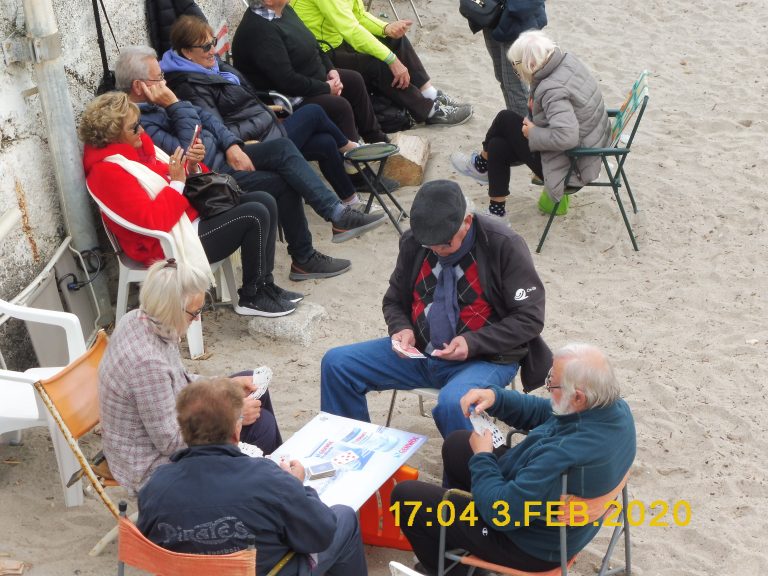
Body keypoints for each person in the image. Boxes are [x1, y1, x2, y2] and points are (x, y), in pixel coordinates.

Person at [114, 46, 383, 282]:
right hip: (209, 177)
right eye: (158, 77)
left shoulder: (159, 101)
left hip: (226, 155)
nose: (164, 81)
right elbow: (185, 152)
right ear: (140, 86)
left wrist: (232, 145)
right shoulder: (140, 122)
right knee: (282, 181)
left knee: (284, 148)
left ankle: (337, 216)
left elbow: (207, 120)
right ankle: (306, 255)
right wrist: (174, 105)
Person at [320, 180, 548, 438]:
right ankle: (349, 454)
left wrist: (472, 343)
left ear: (467, 222)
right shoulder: (414, 242)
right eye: (431, 245)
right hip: (421, 353)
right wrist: (402, 328)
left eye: (445, 244)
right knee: (337, 364)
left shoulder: (503, 244)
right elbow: (394, 300)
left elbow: (530, 318)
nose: (438, 251)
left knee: (454, 403)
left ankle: (473, 474)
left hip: (485, 358)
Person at [390, 343, 636, 575]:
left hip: (530, 544)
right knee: (457, 444)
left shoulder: (563, 452)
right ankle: (460, 535)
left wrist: (483, 457)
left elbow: (502, 512)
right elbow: (547, 412)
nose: (548, 387)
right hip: (548, 512)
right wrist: (496, 398)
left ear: (579, 397)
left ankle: (452, 570)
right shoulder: (613, 410)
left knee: (405, 497)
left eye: (552, 383)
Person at [80, 91, 301, 316]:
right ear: (113, 135)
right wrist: (177, 182)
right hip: (163, 245)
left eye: (140, 123)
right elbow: (153, 222)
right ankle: (252, 296)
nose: (142, 130)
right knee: (254, 214)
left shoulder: (137, 152)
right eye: (134, 127)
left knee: (264, 199)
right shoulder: (108, 172)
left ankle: (265, 285)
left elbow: (177, 181)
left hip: (185, 221)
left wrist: (193, 166)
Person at [137, 377, 368, 576]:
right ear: (237, 430)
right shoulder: (269, 478)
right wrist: (298, 486)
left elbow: (150, 544)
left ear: (183, 429)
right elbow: (320, 534)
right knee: (344, 517)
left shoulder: (155, 487)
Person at [99, 260, 283, 493]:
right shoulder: (146, 364)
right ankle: (268, 493)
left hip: (165, 424)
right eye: (195, 313)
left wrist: (226, 385)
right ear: (172, 309)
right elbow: (171, 443)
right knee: (261, 427)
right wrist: (233, 416)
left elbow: (179, 379)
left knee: (249, 386)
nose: (197, 319)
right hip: (151, 466)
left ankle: (278, 478)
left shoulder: (140, 319)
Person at [161, 15, 368, 207]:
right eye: (206, 46)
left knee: (325, 142)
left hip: (266, 127)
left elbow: (247, 100)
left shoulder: (213, 67)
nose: (213, 50)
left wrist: (268, 114)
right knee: (314, 111)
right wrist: (264, 120)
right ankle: (351, 150)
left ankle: (350, 201)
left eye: (213, 42)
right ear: (187, 52)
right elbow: (218, 130)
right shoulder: (189, 85)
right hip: (253, 143)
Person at [451, 30, 610, 219]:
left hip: (571, 170)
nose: (516, 71)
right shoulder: (567, 63)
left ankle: (480, 164)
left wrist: (533, 132)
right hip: (586, 155)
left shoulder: (552, 89)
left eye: (516, 66)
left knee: (505, 118)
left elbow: (567, 136)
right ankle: (496, 212)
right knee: (497, 145)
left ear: (531, 64)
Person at [291, 0, 473, 126]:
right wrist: (391, 59)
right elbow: (351, 30)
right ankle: (429, 112)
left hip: (337, 41)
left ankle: (430, 94)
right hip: (321, 53)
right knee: (377, 62)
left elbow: (359, 15)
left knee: (395, 39)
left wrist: (386, 28)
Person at [232, 0, 389, 145]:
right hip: (287, 100)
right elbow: (287, 81)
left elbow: (314, 43)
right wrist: (326, 88)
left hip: (311, 79)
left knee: (354, 80)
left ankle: (376, 139)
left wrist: (330, 69)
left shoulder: (285, 9)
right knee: (340, 106)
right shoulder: (259, 31)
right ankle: (354, 167)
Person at [461, 0, 546, 115]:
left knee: (515, 86)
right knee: (504, 79)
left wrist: (512, 8)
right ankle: (516, 122)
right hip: (491, 15)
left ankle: (522, 129)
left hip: (517, 21)